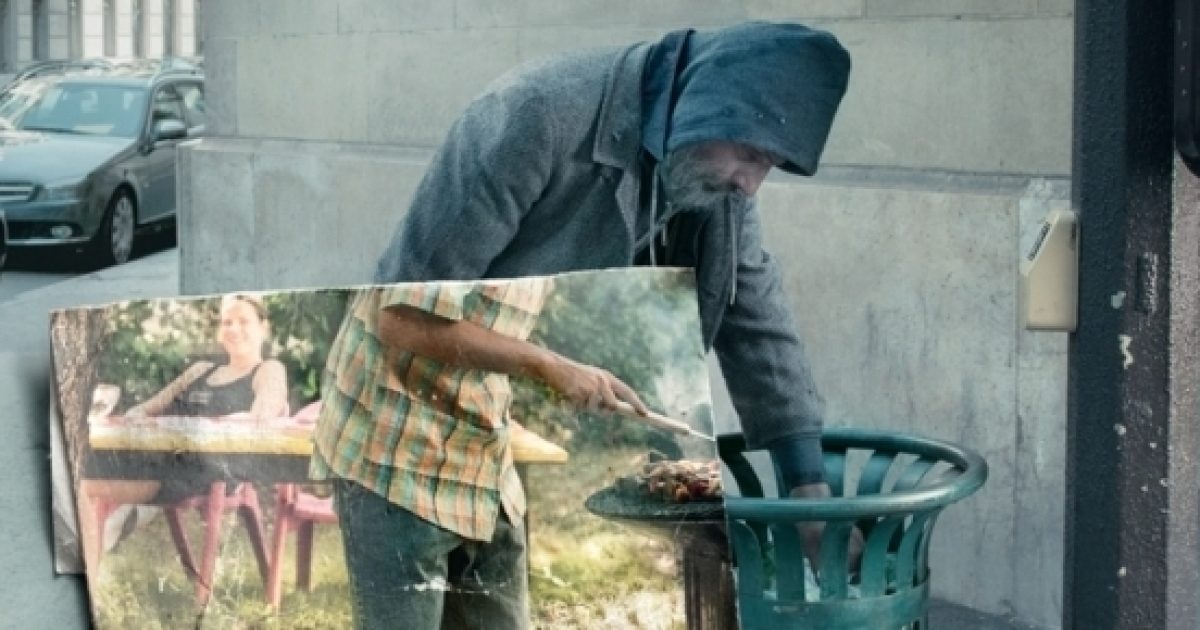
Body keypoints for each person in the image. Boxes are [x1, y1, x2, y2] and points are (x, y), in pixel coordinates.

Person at [313, 21, 855, 629]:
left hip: (479, 440)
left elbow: (756, 317)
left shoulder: (714, 177)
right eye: (751, 155)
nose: (750, 184)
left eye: (769, 165)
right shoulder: (533, 117)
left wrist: (808, 489)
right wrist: (548, 365)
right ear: (708, 103)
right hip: (389, 435)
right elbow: (398, 317)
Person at [78, 293, 288, 576]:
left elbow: (263, 416)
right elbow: (146, 408)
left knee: (86, 486)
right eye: (227, 322)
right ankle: (101, 543)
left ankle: (100, 548)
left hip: (209, 469)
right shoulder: (200, 370)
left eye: (243, 321)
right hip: (161, 457)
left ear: (263, 327)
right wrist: (134, 420)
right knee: (80, 472)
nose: (234, 329)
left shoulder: (268, 370)